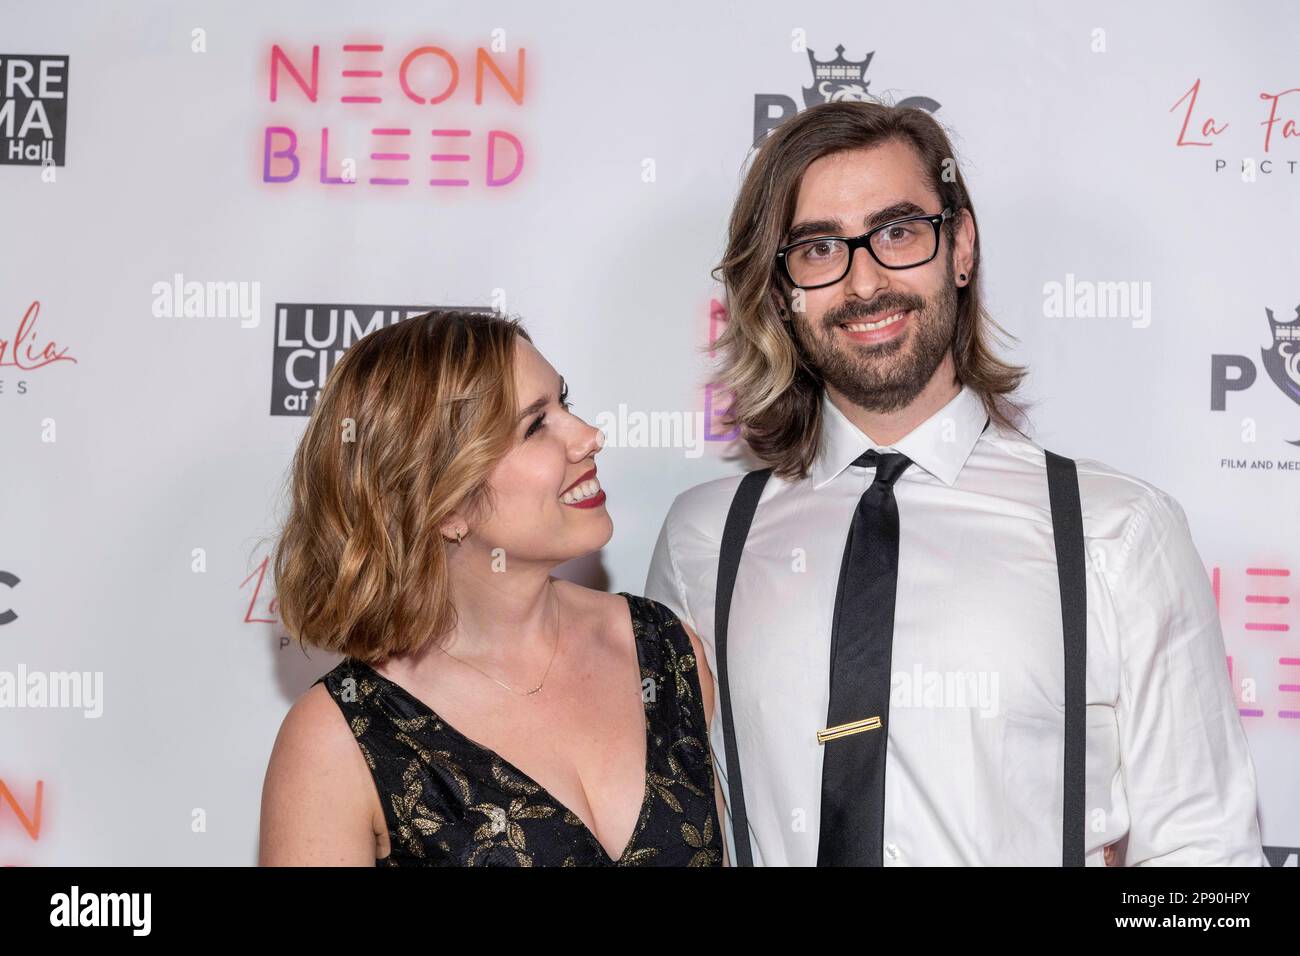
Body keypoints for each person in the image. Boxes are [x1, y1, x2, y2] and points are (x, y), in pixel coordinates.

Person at [645, 101, 1266, 866]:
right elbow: (674, 828)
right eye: (818, 248)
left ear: (961, 246)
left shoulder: (1117, 530)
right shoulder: (705, 540)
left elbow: (1207, 858)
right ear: (780, 290)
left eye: (898, 232)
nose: (865, 281)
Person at [259, 309, 724, 866]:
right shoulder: (340, 739)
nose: (590, 436)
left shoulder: (663, 650)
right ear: (444, 505)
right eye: (535, 426)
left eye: (564, 403)